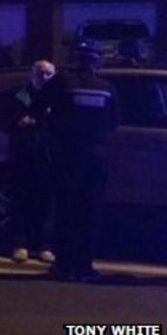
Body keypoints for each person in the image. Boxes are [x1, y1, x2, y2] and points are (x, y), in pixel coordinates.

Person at [45, 45, 118, 282]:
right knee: (89, 213)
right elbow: (114, 123)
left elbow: (40, 105)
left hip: (67, 157)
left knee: (66, 210)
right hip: (96, 159)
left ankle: (63, 264)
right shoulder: (107, 88)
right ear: (96, 63)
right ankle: (84, 265)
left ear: (77, 60)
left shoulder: (62, 82)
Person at [0, 60, 57, 264]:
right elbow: (3, 120)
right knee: (20, 201)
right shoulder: (21, 95)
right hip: (22, 156)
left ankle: (44, 246)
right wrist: (18, 122)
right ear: (32, 74)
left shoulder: (57, 97)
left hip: (48, 158)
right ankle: (20, 245)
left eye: (49, 74)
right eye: (41, 73)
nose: (44, 77)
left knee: (46, 203)